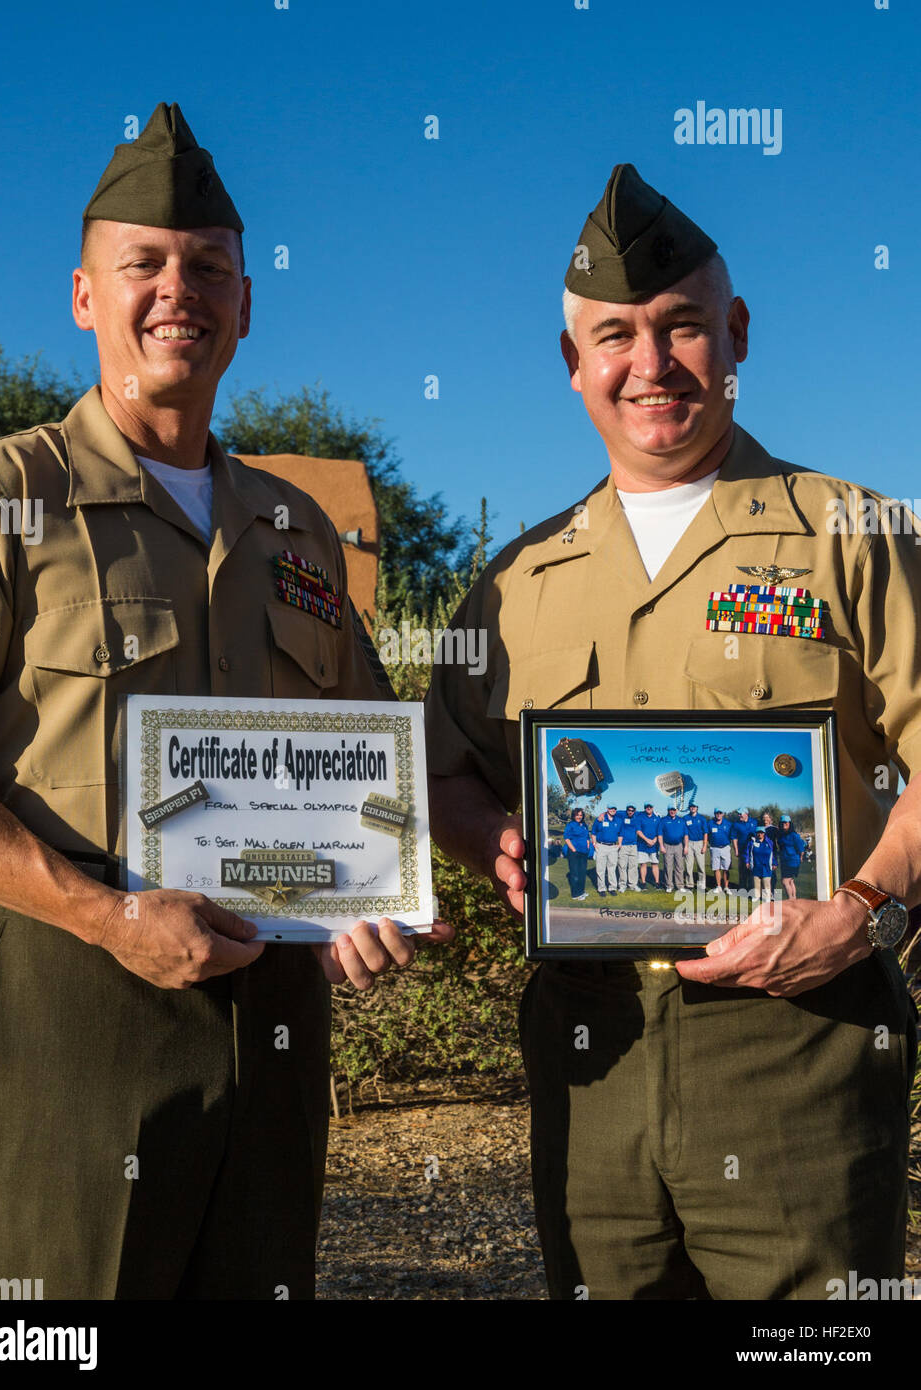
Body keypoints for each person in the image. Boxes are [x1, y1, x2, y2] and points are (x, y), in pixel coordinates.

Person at [0, 102, 449, 1300]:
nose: (181, 291)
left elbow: (376, 772)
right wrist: (109, 918)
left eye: (210, 268)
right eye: (146, 265)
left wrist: (376, 899)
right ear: (83, 295)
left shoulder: (297, 525)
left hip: (275, 1019)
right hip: (78, 1001)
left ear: (246, 303)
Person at [424, 162, 919, 1299]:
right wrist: (490, 837)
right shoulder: (515, 581)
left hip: (799, 1034)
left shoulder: (854, 533)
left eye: (681, 327)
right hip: (589, 1048)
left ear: (734, 334)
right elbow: (444, 764)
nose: (649, 366)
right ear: (572, 364)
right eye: (615, 336)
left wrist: (862, 909)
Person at [593, 803, 622, 896]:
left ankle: (612, 888)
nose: (612, 810)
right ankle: (601, 889)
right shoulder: (600, 819)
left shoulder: (618, 820)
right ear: (607, 809)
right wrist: (594, 843)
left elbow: (620, 834)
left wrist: (620, 844)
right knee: (600, 869)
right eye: (610, 808)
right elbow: (594, 832)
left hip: (613, 847)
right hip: (601, 846)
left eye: (614, 808)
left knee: (612, 868)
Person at [562, 807, 591, 900]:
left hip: (584, 852)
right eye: (577, 815)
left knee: (582, 873)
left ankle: (581, 891)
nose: (579, 816)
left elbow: (587, 837)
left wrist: (587, 846)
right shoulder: (571, 825)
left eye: (581, 815)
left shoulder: (584, 825)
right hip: (574, 853)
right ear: (574, 815)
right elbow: (566, 838)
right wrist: (573, 849)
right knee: (575, 874)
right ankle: (575, 894)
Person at [778, 814, 808, 899]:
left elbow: (801, 849)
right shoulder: (781, 835)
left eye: (786, 822)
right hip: (784, 860)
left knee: (785, 881)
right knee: (791, 881)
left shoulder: (794, 835)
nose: (784, 824)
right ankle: (794, 898)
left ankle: (790, 900)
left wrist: (801, 858)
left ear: (790, 823)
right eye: (782, 822)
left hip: (792, 861)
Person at [746, 826, 777, 903]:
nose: (760, 834)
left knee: (766, 882)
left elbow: (773, 854)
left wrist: (774, 863)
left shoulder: (769, 842)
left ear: (764, 833)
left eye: (761, 833)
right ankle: (756, 896)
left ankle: (767, 897)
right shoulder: (752, 842)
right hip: (756, 865)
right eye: (758, 833)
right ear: (756, 833)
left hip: (766, 866)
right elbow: (748, 853)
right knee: (756, 882)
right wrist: (747, 862)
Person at [682, 801, 708, 890]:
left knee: (701, 866)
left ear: (697, 807)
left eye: (694, 806)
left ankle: (701, 885)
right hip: (688, 843)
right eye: (691, 806)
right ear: (689, 808)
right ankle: (689, 884)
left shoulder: (702, 818)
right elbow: (684, 832)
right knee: (689, 865)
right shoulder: (685, 818)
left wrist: (704, 846)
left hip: (699, 843)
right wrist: (685, 845)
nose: (692, 808)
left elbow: (705, 833)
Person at [730, 806, 757, 889]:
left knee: (752, 870)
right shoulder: (736, 824)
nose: (739, 815)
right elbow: (734, 838)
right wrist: (736, 850)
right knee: (742, 871)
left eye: (740, 814)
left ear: (746, 814)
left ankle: (752, 889)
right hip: (742, 851)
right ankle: (742, 889)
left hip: (753, 851)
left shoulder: (754, 822)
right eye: (738, 814)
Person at [635, 801, 661, 888]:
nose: (648, 808)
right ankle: (643, 883)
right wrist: (647, 840)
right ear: (644, 808)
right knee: (643, 864)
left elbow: (660, 831)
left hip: (654, 845)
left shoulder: (657, 818)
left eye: (650, 806)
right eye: (647, 807)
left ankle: (657, 883)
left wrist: (654, 840)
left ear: (653, 807)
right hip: (642, 845)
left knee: (655, 864)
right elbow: (638, 831)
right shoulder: (640, 817)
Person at [707, 807, 733, 893]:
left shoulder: (728, 824)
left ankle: (726, 887)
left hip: (725, 848)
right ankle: (718, 887)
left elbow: (732, 836)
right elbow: (707, 835)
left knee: (726, 868)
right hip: (714, 848)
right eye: (717, 813)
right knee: (716, 868)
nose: (718, 814)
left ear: (723, 814)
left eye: (720, 813)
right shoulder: (710, 823)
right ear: (714, 814)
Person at [617, 804, 641, 892]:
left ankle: (633, 885)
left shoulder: (637, 816)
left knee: (633, 866)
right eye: (629, 810)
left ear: (635, 811)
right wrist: (602, 815)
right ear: (626, 810)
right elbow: (611, 811)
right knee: (622, 866)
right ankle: (622, 885)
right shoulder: (622, 814)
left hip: (633, 845)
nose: (630, 812)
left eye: (632, 810)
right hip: (623, 845)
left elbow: (645, 812)